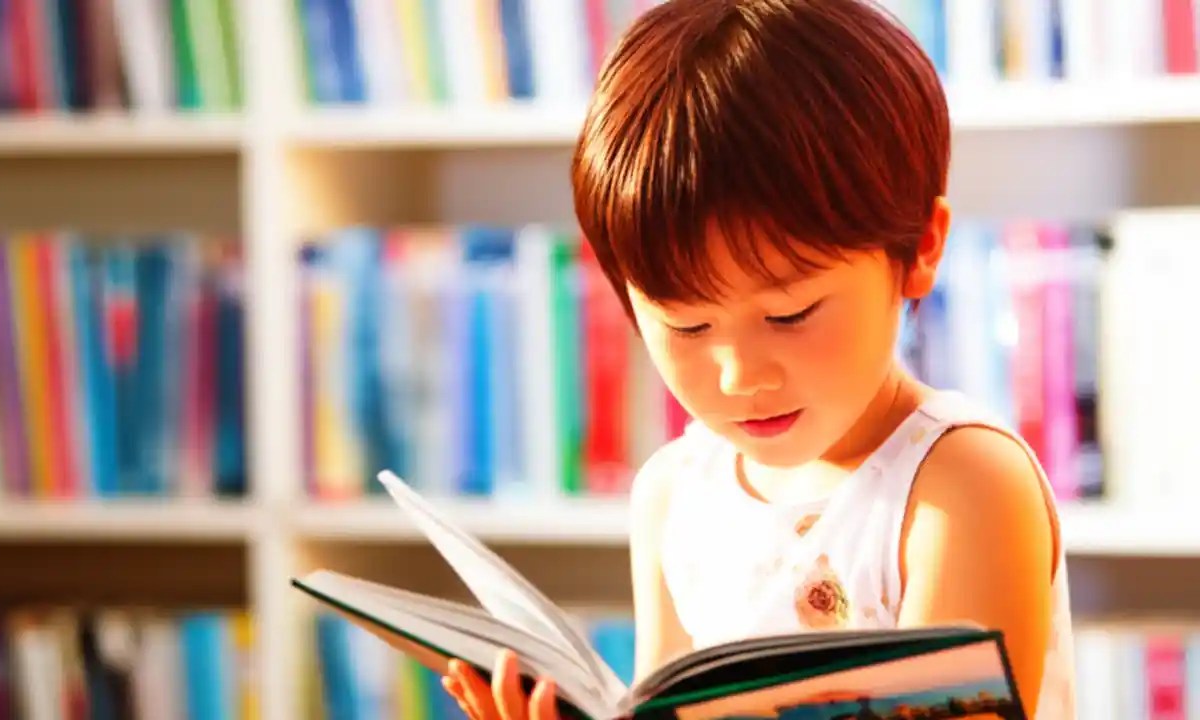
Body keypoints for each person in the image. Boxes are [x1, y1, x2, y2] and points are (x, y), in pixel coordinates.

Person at [442, 0, 1076, 718]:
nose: (741, 376)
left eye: (790, 314)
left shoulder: (959, 487)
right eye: (685, 325)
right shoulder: (674, 494)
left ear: (921, 249)